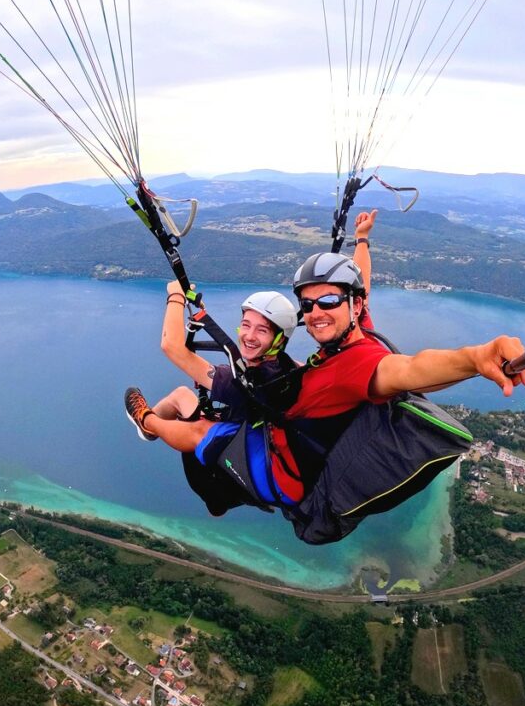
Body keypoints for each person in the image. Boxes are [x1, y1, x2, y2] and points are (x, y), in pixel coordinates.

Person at [123, 212, 380, 512]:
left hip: (216, 476)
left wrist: (175, 297)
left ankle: (147, 423)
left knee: (182, 396)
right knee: (193, 404)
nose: (248, 335)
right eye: (245, 325)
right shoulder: (289, 369)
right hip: (244, 461)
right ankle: (150, 428)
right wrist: (362, 238)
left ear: (277, 338)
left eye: (261, 329)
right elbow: (359, 295)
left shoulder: (245, 383)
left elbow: (172, 346)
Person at [266, 251, 525, 505]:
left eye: (328, 301)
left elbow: (410, 369)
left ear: (354, 306)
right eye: (307, 304)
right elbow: (362, 282)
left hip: (280, 469)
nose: (315, 313)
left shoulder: (356, 364)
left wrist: (476, 358)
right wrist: (362, 239)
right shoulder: (357, 329)